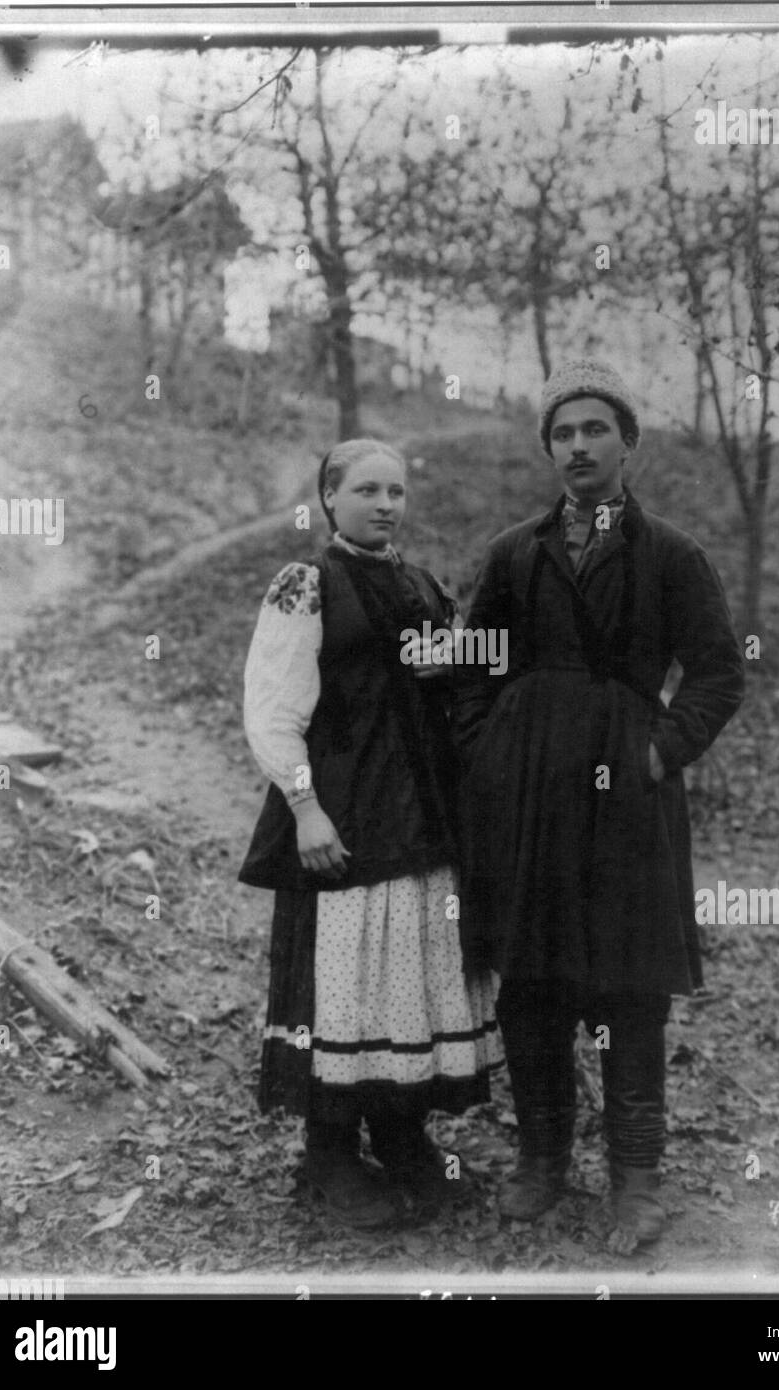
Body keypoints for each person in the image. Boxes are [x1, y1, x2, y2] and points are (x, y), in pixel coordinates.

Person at [454, 358, 745, 1250]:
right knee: (530, 982)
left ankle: (637, 1182)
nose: (578, 447)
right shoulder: (515, 552)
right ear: (549, 451)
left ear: (628, 443)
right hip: (530, 795)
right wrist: (489, 753)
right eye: (563, 434)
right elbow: (474, 664)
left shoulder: (671, 556)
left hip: (627, 798)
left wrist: (659, 750)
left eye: (595, 430)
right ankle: (543, 1160)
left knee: (629, 988)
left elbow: (719, 674)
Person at [239, 438, 501, 1230]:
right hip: (344, 817)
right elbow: (273, 709)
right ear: (329, 499)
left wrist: (456, 667)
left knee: (406, 987)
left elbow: (461, 685)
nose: (385, 504)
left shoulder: (422, 585)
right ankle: (328, 1156)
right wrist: (306, 806)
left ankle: (401, 1135)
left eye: (395, 491)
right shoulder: (305, 585)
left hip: (422, 816)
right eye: (366, 491)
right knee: (343, 986)